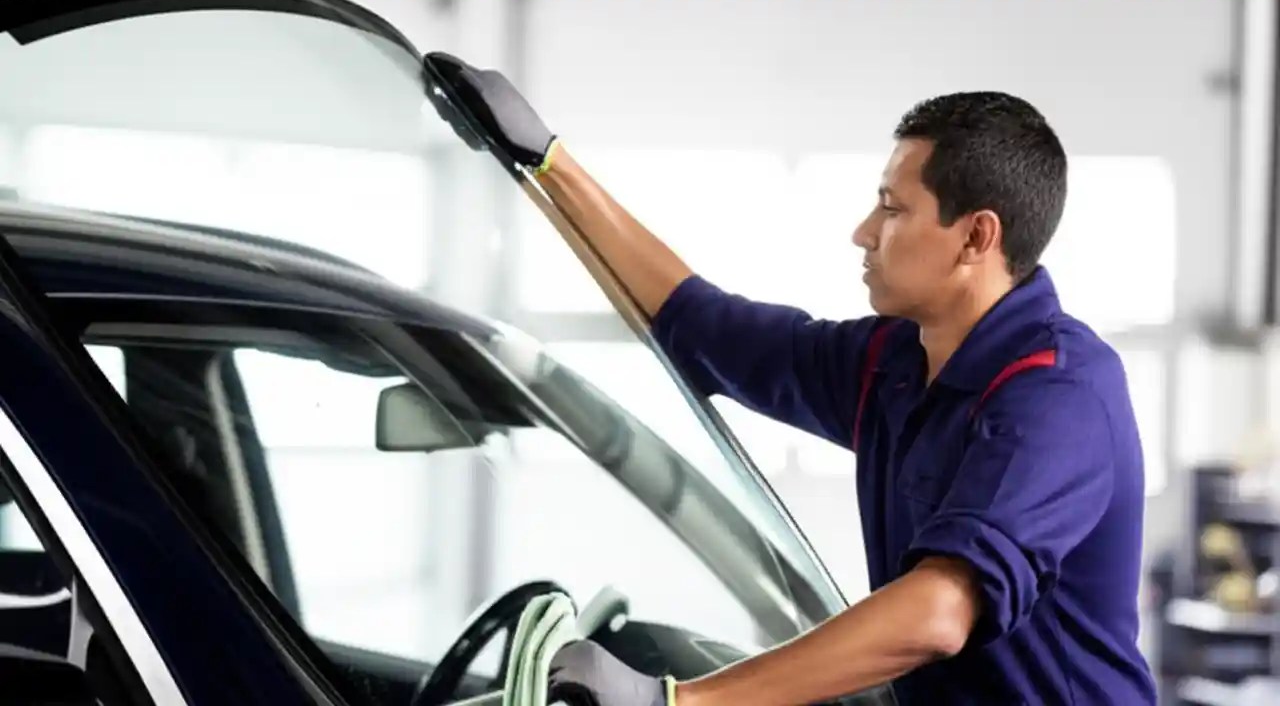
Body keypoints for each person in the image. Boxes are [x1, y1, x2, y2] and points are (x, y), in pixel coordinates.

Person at [424, 52, 1158, 706]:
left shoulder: (1059, 397)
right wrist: (547, 163)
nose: (864, 231)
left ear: (976, 236)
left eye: (893, 208)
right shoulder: (897, 361)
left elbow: (939, 611)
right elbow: (702, 325)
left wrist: (679, 702)